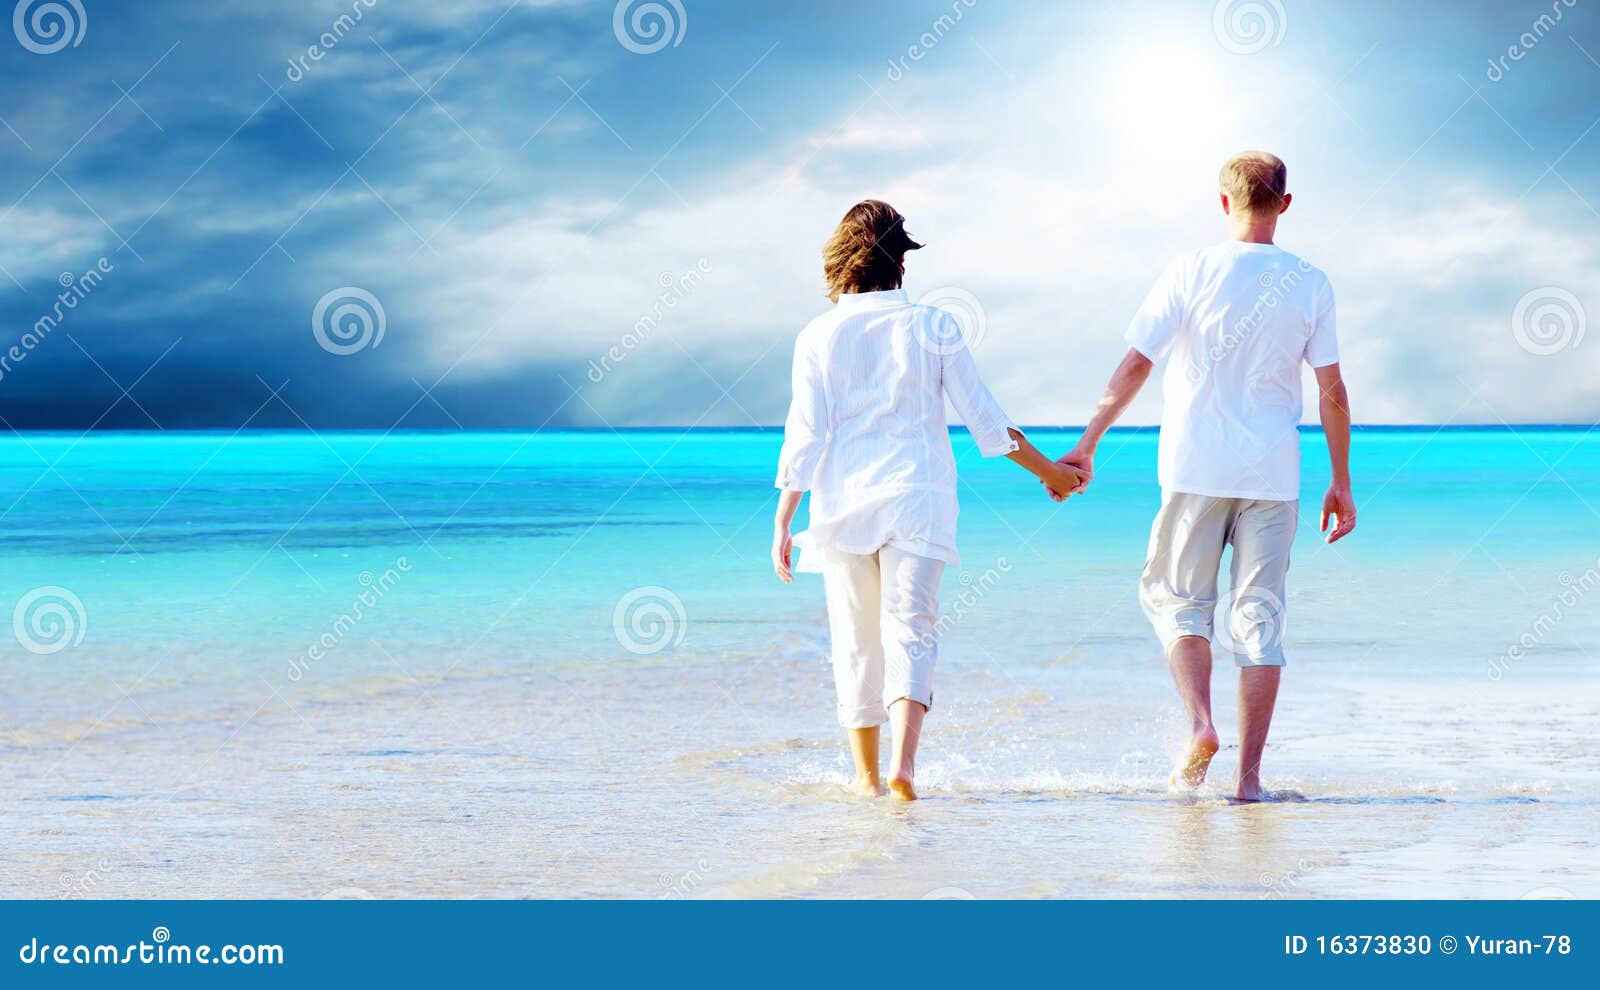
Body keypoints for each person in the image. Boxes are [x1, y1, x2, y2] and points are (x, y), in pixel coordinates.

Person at [1053, 152, 1356, 802]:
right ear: (1285, 203)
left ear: (1224, 203)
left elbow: (1136, 364)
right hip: (1273, 475)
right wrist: (1342, 480)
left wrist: (1087, 443)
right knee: (1260, 621)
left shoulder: (1190, 269)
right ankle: (1249, 784)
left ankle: (1200, 726)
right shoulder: (1310, 281)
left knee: (1181, 603)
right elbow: (1332, 391)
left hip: (1194, 467)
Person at [771, 199, 1086, 801]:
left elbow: (805, 433)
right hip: (918, 501)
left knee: (855, 640)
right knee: (910, 631)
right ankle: (903, 770)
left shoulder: (816, 335)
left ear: (841, 261)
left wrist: (783, 518)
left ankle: (865, 780)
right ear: (901, 260)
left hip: (841, 506)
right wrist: (1054, 474)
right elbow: (988, 427)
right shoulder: (933, 325)